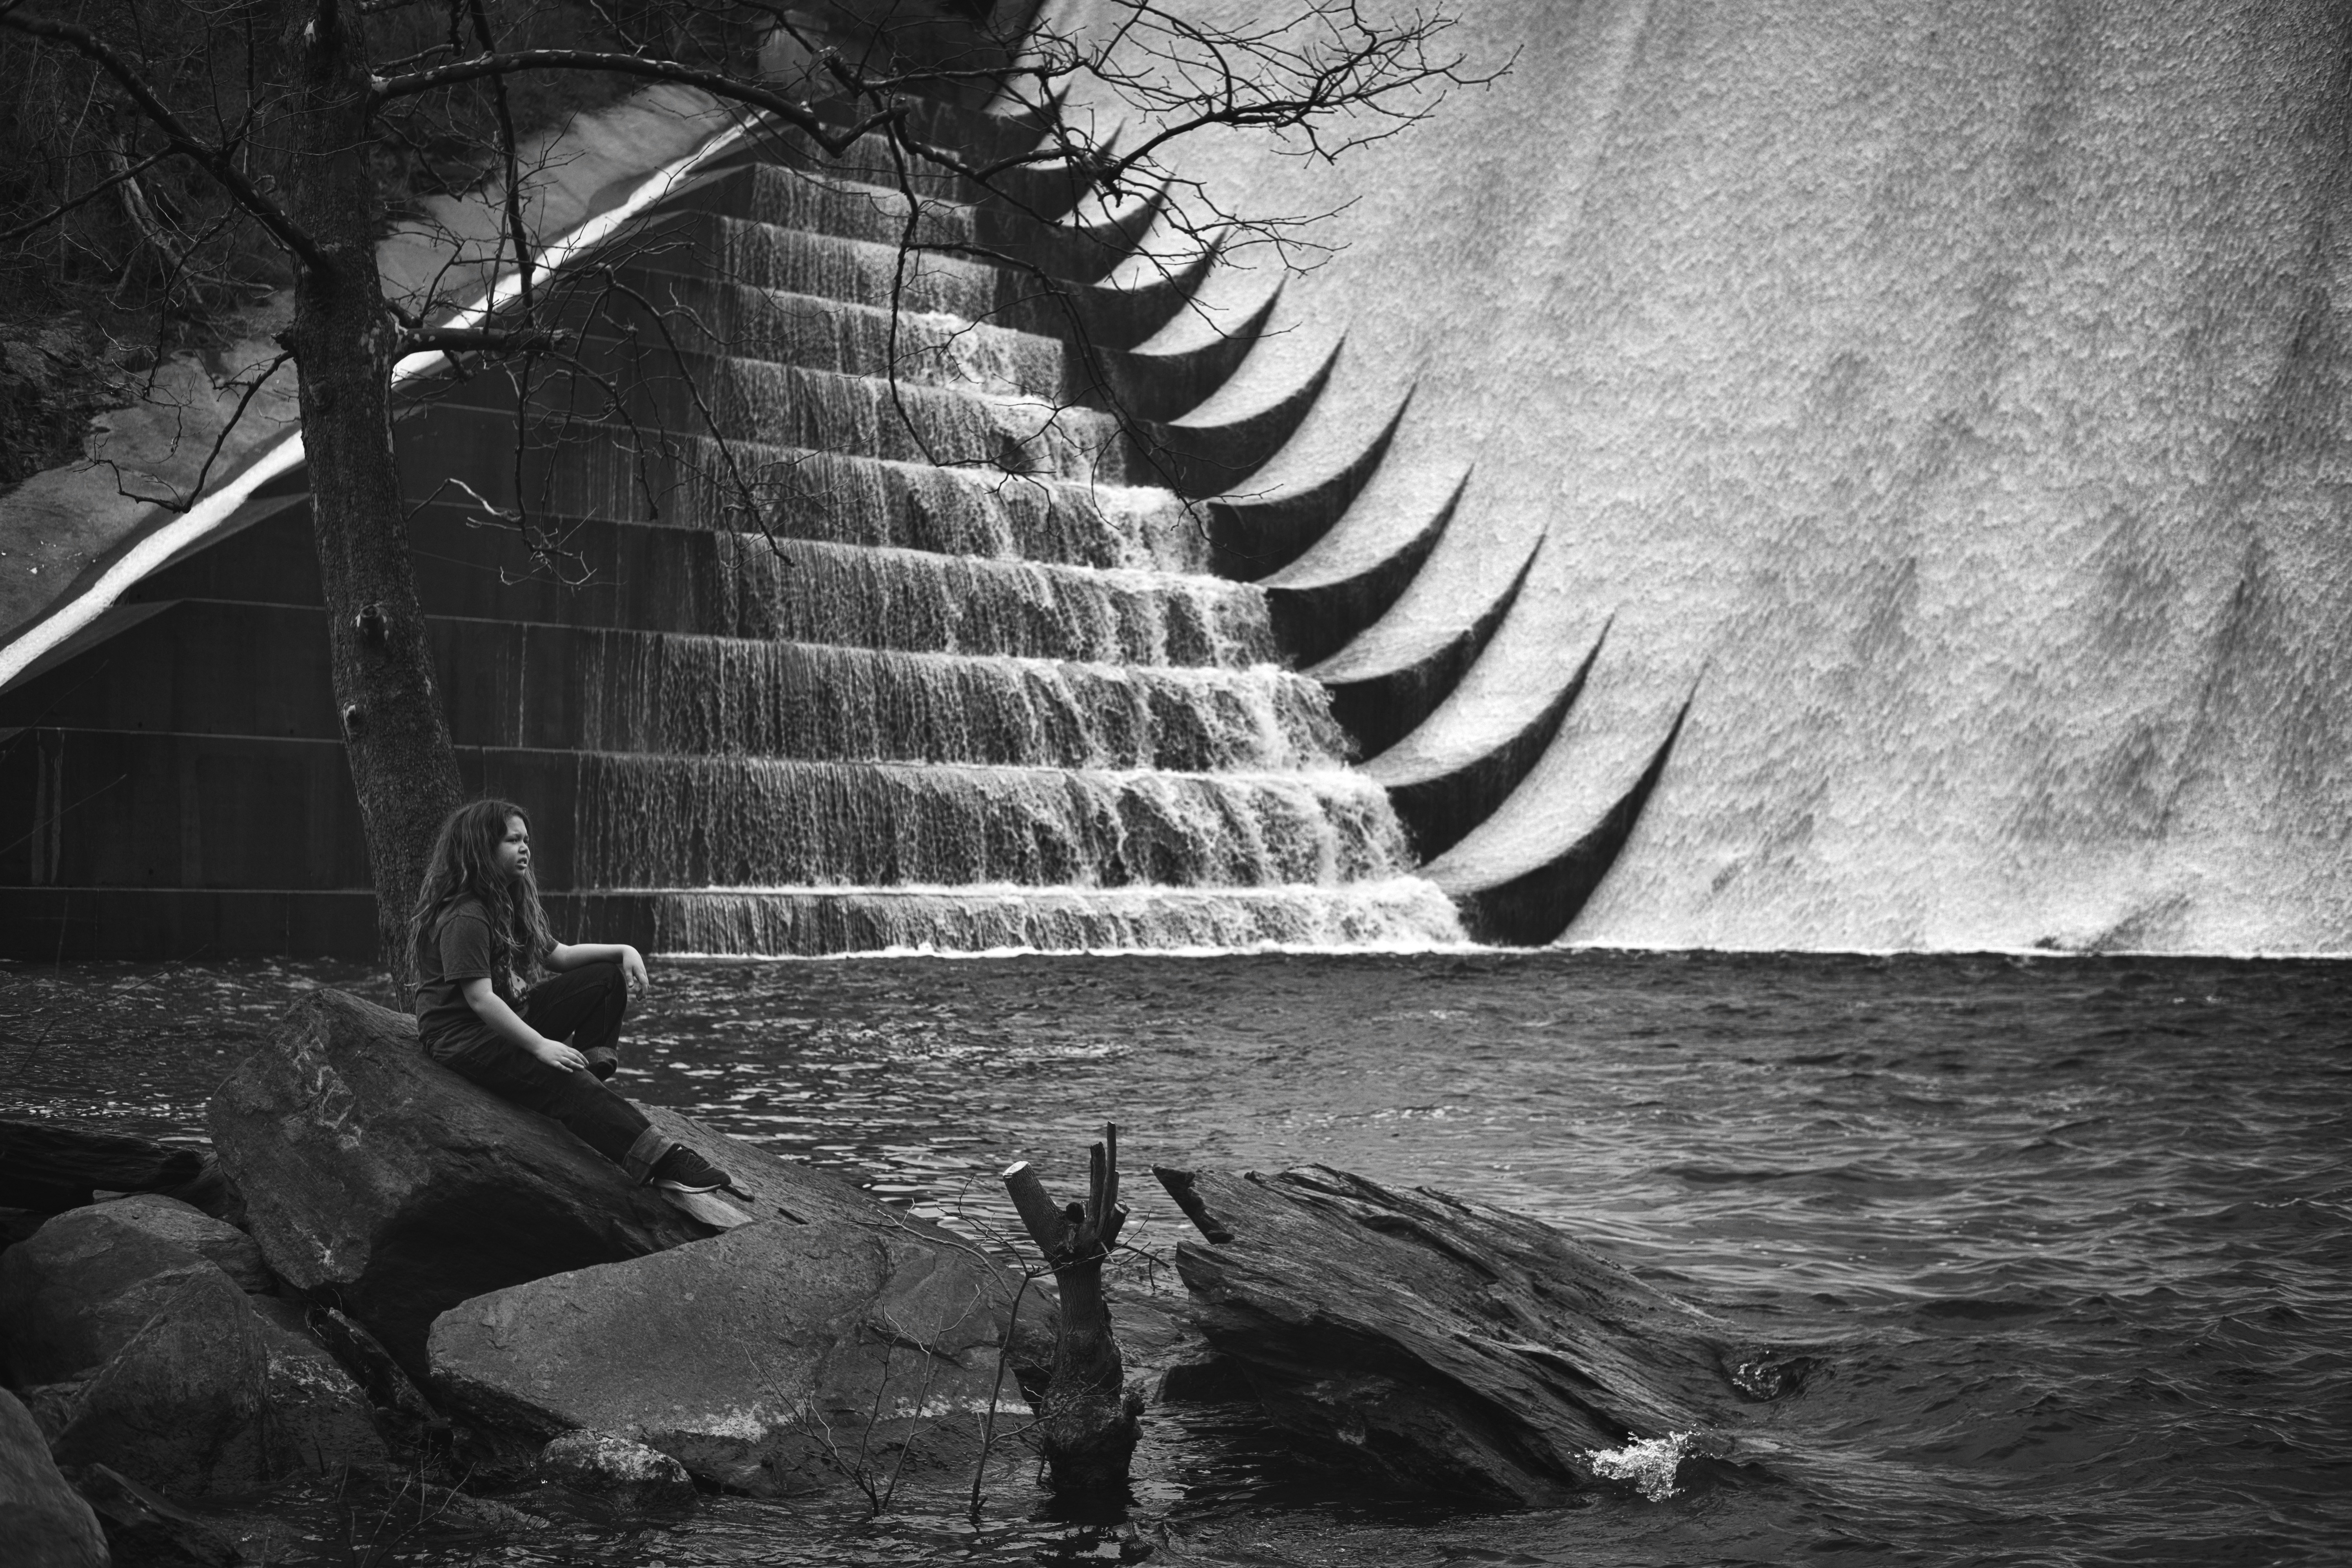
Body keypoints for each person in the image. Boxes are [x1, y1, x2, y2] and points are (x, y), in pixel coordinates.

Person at [408, 798, 730, 1194]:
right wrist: (541, 1046)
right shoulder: (466, 915)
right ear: (481, 847)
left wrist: (623, 951)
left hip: (509, 1014)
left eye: (527, 839)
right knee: (562, 1077)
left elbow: (559, 957)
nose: (525, 847)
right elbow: (479, 999)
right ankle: (662, 1162)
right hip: (461, 1037)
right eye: (513, 840)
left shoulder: (507, 901)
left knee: (604, 980)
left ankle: (591, 1085)